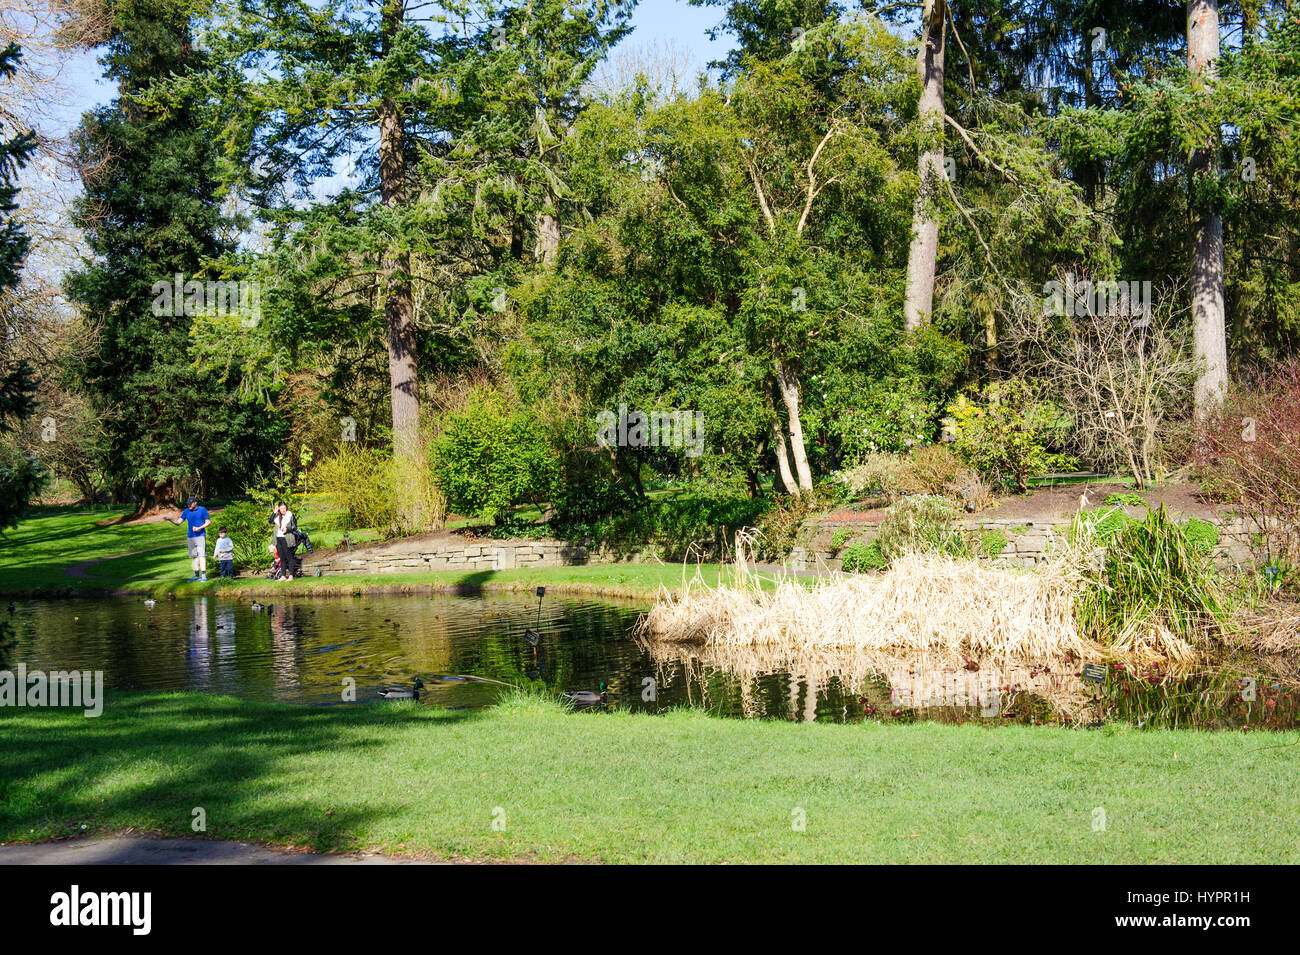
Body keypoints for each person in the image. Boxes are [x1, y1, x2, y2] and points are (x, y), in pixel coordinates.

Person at [166, 496, 211, 582]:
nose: (189, 506)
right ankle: (196, 575)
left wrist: (199, 528)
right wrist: (170, 519)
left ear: (195, 503)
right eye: (188, 504)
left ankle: (204, 575)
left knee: (201, 555)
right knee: (194, 556)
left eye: (190, 504)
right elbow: (178, 522)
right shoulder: (186, 511)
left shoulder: (202, 510)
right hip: (190, 536)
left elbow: (208, 522)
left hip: (200, 536)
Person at [271, 501, 297, 581]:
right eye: (281, 508)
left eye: (284, 508)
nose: (283, 510)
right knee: (282, 558)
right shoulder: (277, 516)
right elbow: (270, 521)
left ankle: (291, 576)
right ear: (279, 509)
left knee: (289, 558)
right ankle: (283, 575)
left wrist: (287, 529)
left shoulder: (290, 515)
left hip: (287, 539)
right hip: (278, 539)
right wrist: (274, 512)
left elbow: (294, 527)